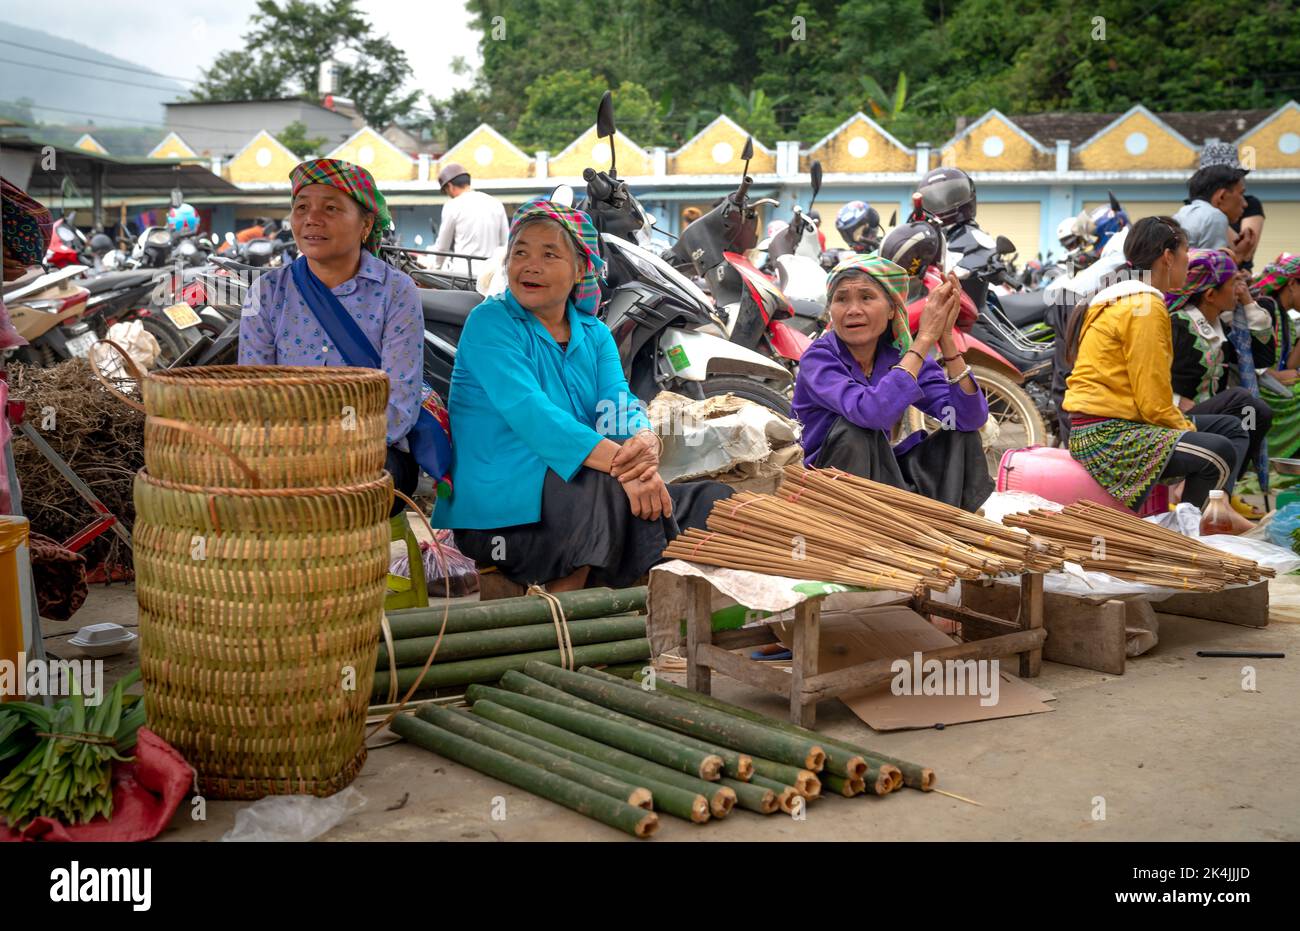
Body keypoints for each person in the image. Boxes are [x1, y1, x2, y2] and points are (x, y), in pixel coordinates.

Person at [436, 198, 732, 591]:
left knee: (715, 500)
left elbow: (618, 401)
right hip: (502, 517)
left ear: (580, 269)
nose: (530, 265)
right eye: (520, 252)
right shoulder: (490, 323)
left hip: (577, 493)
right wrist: (626, 469)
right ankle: (569, 623)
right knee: (606, 489)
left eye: (549, 254)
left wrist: (643, 440)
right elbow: (534, 416)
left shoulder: (593, 333)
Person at [238, 157, 423, 515]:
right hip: (284, 450)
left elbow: (400, 403)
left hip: (371, 453)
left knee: (333, 493)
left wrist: (333, 447)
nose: (311, 219)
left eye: (331, 208)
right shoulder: (266, 291)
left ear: (366, 224)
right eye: (302, 207)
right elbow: (253, 391)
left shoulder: (397, 291)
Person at [1063, 217, 1250, 513]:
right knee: (1218, 452)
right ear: (1167, 257)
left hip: (1114, 425)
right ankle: (1187, 537)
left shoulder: (1124, 296)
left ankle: (1215, 514)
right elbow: (1153, 404)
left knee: (1231, 427)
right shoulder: (1144, 306)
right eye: (1186, 253)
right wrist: (1186, 430)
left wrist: (1186, 429)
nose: (1189, 262)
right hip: (1107, 436)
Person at [791, 254, 992, 511]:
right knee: (855, 430)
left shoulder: (899, 354)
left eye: (866, 297)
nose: (853, 309)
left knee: (961, 434)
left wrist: (945, 339)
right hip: (828, 485)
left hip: (880, 476)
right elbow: (871, 413)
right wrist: (924, 339)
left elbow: (969, 417)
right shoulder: (819, 357)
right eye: (842, 299)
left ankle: (947, 520)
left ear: (890, 310)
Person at [1164, 249, 1272, 506]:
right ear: (1211, 294)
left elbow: (1264, 356)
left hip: (1209, 416)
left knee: (1258, 414)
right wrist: (1176, 400)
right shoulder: (1177, 325)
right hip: (1172, 415)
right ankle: (1214, 497)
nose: (1239, 287)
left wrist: (1247, 302)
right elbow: (1148, 370)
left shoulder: (1224, 328)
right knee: (1244, 401)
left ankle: (1221, 493)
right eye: (1233, 282)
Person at [1249, 253, 1300, 458]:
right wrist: (1275, 375)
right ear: (1292, 284)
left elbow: (1290, 364)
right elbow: (1250, 358)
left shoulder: (1287, 319)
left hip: (1274, 384)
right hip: (1261, 388)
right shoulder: (1266, 306)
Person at [431, 162, 509, 274]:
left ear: (450, 186)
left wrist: (435, 269)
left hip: (463, 276)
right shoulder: (496, 204)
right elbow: (505, 243)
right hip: (491, 276)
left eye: (446, 191)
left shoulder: (452, 205)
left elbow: (443, 246)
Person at [1198, 143, 1264, 270]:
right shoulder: (1195, 208)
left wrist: (1214, 213)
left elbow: (1247, 253)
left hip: (1237, 276)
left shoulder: (1249, 204)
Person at [1171, 164, 1250, 260]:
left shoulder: (1182, 213)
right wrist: (1240, 255)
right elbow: (1210, 271)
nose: (1245, 204)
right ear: (1222, 196)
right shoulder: (1215, 217)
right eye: (1241, 194)